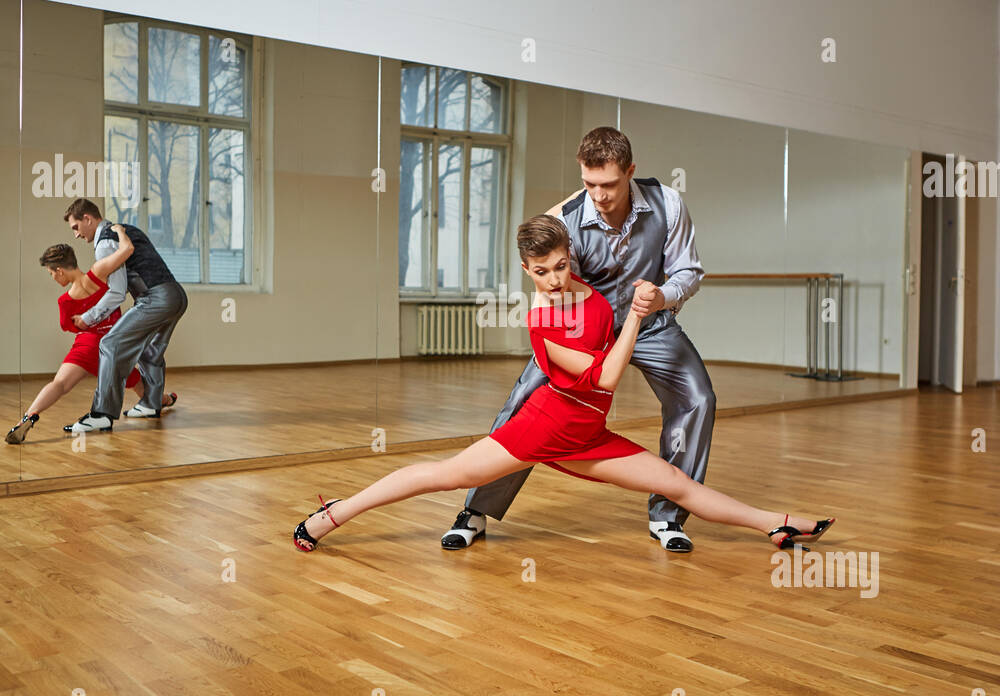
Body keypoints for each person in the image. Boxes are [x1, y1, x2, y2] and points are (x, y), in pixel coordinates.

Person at [292, 215, 835, 554]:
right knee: (440, 476)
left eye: (559, 265)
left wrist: (632, 309)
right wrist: (636, 320)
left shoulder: (592, 296)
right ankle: (329, 516)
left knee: (674, 482)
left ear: (568, 256)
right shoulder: (542, 322)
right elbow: (606, 375)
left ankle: (777, 525)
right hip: (542, 428)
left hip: (586, 434)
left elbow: (602, 367)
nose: (553, 279)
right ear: (526, 270)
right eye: (540, 272)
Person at [442, 126, 716, 553]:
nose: (599, 195)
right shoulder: (565, 217)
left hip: (650, 324)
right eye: (589, 184)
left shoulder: (668, 203)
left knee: (698, 398)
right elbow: (539, 270)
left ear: (630, 172)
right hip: (583, 329)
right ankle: (476, 510)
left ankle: (668, 516)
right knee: (522, 403)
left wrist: (662, 295)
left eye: (609, 184)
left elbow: (689, 271)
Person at [4, 225, 176, 444]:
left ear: (59, 270)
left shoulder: (65, 301)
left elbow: (70, 327)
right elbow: (125, 251)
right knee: (144, 391)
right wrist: (121, 232)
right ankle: (168, 399)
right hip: (114, 348)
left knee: (60, 384)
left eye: (51, 274)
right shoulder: (101, 275)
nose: (53, 278)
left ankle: (27, 418)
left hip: (86, 348)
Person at [61, 199, 189, 434]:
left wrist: (88, 318)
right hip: (176, 295)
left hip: (155, 298)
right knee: (151, 350)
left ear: (88, 219)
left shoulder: (105, 242)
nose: (76, 235)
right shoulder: (124, 229)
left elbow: (117, 292)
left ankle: (102, 414)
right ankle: (151, 404)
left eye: (76, 227)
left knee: (110, 343)